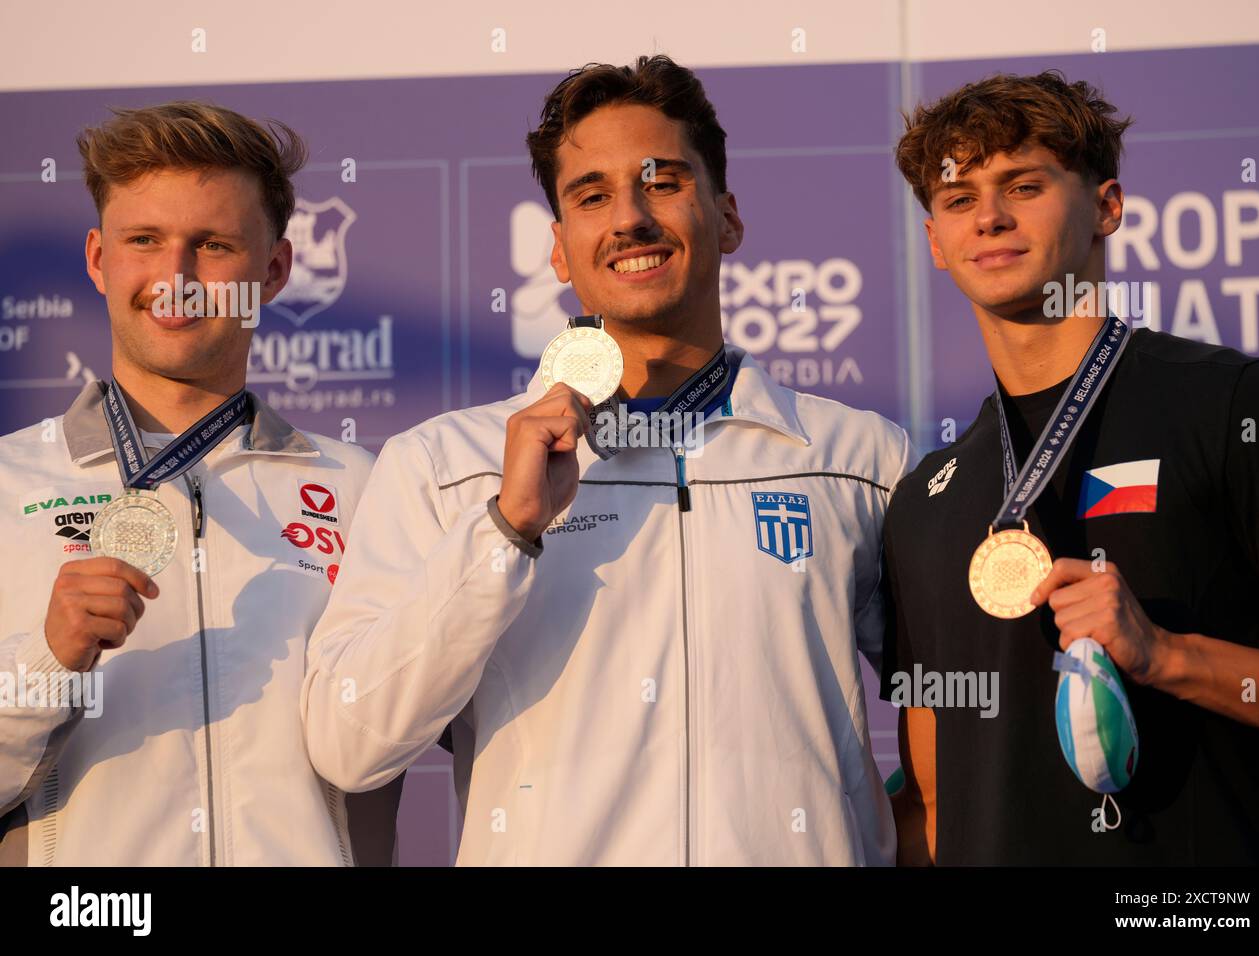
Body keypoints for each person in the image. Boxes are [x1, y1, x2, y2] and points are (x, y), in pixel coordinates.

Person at [302, 55, 915, 865]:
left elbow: (964, 713)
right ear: (560, 248)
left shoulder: (860, 458)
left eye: (662, 182)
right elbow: (350, 743)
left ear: (728, 219)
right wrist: (504, 532)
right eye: (592, 196)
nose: (629, 218)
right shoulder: (444, 466)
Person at [882, 71, 1259, 865]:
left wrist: (1170, 656)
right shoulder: (923, 501)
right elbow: (937, 801)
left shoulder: (1235, 408)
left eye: (1023, 185)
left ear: (1106, 206)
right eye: (959, 198)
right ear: (935, 242)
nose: (991, 217)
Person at [0, 101, 398, 866]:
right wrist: (49, 660)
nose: (176, 276)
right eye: (143, 240)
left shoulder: (361, 487)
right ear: (97, 259)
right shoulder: (9, 482)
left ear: (274, 270)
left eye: (213, 245)